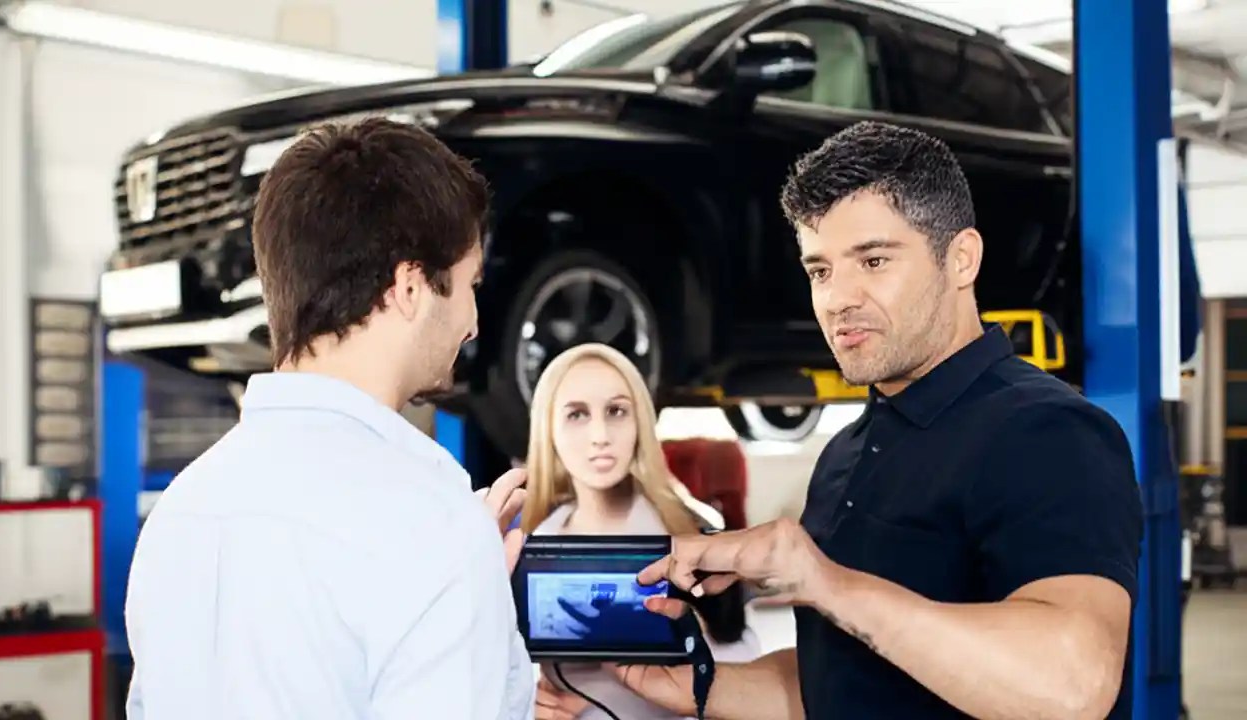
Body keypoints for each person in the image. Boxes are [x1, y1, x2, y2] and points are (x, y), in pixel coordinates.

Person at [610, 121, 1144, 719]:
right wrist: (690, 685)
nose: (838, 298)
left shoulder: (1051, 433)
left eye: (873, 260)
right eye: (820, 270)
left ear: (961, 258)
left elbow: (1071, 686)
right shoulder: (847, 454)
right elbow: (837, 684)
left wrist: (826, 582)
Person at [123, 118, 534, 719]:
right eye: (470, 284)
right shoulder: (432, 523)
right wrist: (470, 603)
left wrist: (468, 599)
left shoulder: (183, 512)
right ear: (410, 288)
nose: (473, 322)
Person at [522, 343, 761, 720]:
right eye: (577, 414)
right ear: (547, 430)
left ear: (640, 423)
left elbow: (748, 671)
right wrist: (530, 704)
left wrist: (695, 649)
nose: (600, 434)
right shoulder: (532, 551)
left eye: (616, 411)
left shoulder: (697, 538)